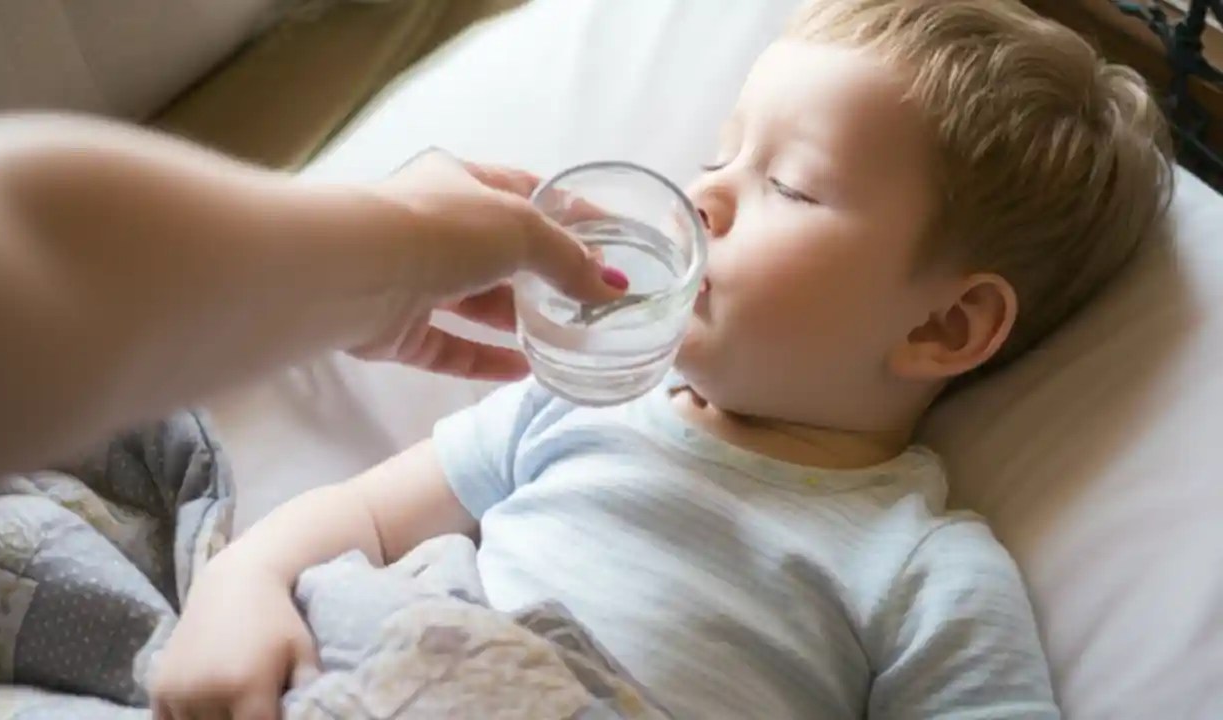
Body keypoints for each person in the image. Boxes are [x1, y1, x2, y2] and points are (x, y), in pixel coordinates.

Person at [152, 0, 1175, 717]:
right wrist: (238, 587)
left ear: (940, 330)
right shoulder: (575, 405)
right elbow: (364, 517)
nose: (704, 196)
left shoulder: (916, 570)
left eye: (791, 183)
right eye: (719, 155)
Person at [0, 116, 626, 490]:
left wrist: (391, 252)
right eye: (715, 159)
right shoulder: (549, 417)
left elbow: (40, 257)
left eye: (740, 185)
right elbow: (37, 261)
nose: (704, 202)